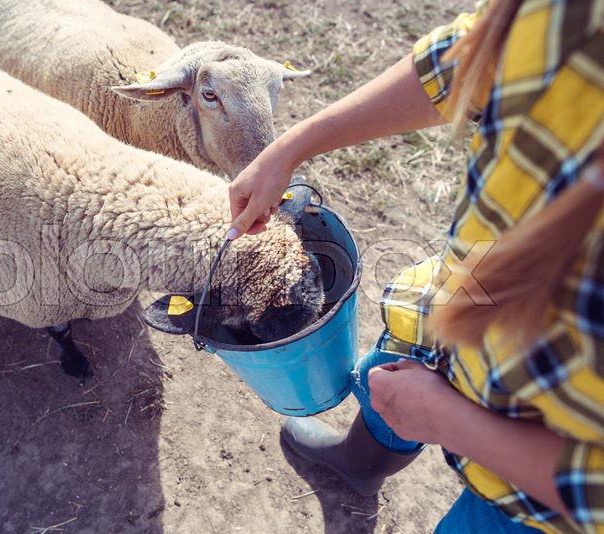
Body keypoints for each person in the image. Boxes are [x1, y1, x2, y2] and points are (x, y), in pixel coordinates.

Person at [226, 0, 604, 532]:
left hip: (532, 507)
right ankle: (359, 465)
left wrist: (450, 419)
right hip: (473, 285)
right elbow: (468, 56)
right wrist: (289, 151)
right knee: (393, 368)